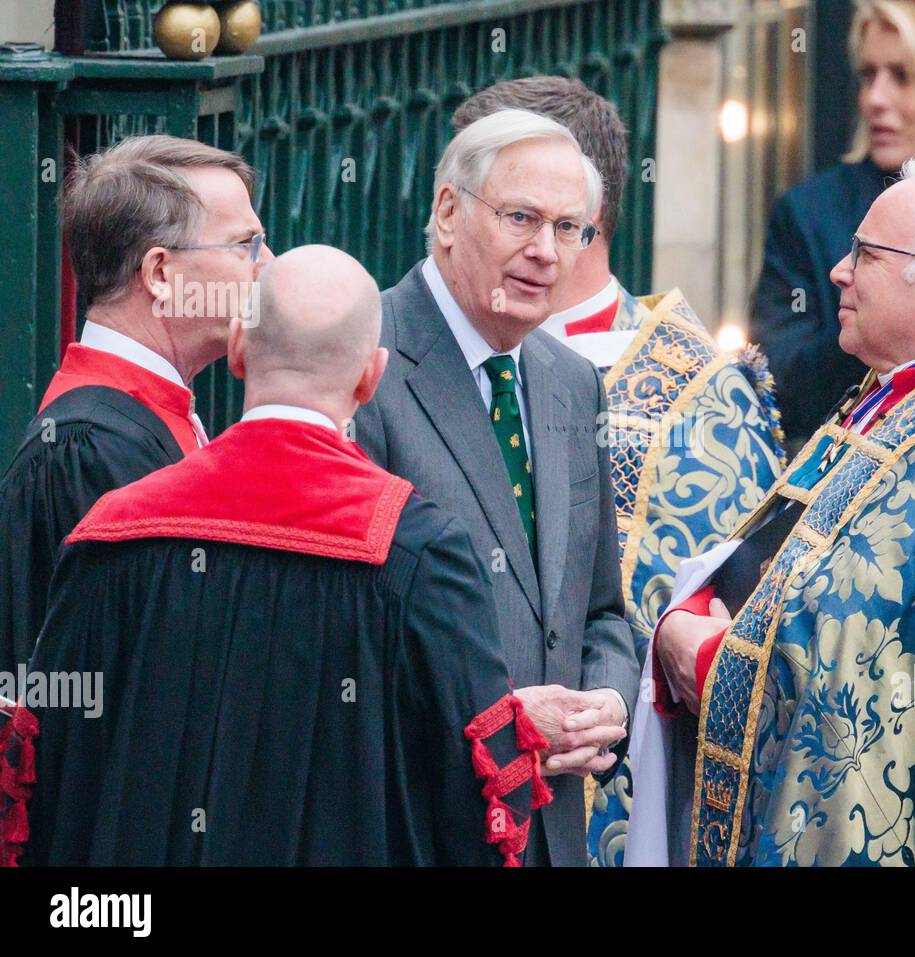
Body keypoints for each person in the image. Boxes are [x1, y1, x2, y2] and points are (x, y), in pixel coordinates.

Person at [13, 246, 549, 867]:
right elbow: (482, 793)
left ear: (238, 348)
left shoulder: (110, 530)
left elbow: (46, 771)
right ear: (371, 377)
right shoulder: (420, 550)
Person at [627, 160, 915, 867]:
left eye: (867, 255)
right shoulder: (895, 396)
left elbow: (857, 669)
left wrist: (699, 650)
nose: (839, 273)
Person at [452, 77, 787, 867]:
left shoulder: (702, 396)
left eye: (491, 204)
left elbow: (733, 639)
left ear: (583, 219)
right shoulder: (426, 352)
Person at [353, 110, 639, 867]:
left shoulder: (571, 381)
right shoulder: (365, 361)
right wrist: (503, 723)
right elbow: (342, 635)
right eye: (521, 218)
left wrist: (608, 701)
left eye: (569, 228)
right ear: (448, 212)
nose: (546, 252)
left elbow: (600, 608)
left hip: (552, 835)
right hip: (424, 830)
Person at [0, 135, 272, 677]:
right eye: (245, 245)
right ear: (160, 274)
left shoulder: (132, 419)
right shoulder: (91, 449)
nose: (267, 265)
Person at [751, 0, 915, 449]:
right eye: (867, 75)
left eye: (902, 75)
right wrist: (874, 316)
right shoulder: (812, 211)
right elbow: (777, 392)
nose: (874, 98)